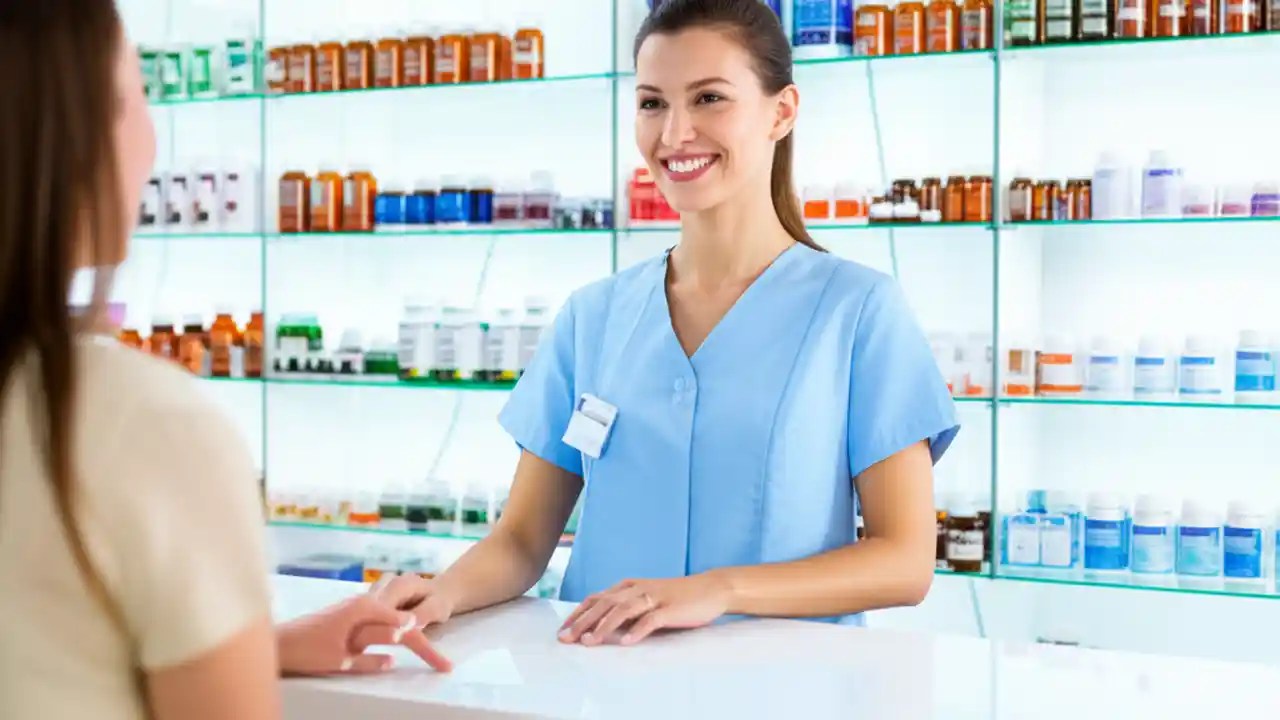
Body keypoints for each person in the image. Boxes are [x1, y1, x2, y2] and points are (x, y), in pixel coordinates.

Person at [373, 0, 959, 647]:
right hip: (598, 677)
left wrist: (719, 589)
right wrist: (440, 594)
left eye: (709, 98)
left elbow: (905, 562)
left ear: (782, 111)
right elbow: (521, 540)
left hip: (782, 682)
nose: (675, 133)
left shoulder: (858, 311)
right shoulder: (593, 317)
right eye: (652, 103)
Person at [0, 4, 448, 719]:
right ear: (70, 134)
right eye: (138, 94)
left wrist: (257, 646)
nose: (153, 138)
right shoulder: (141, 422)